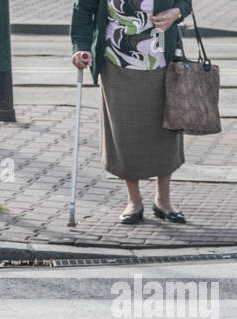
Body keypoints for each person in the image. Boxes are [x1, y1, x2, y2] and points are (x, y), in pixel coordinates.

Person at [70, 0, 192, 225]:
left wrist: (176, 13)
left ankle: (163, 201)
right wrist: (81, 46)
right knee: (124, 132)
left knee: (166, 131)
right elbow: (83, 9)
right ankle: (133, 201)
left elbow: (185, 2)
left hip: (162, 61)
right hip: (116, 63)